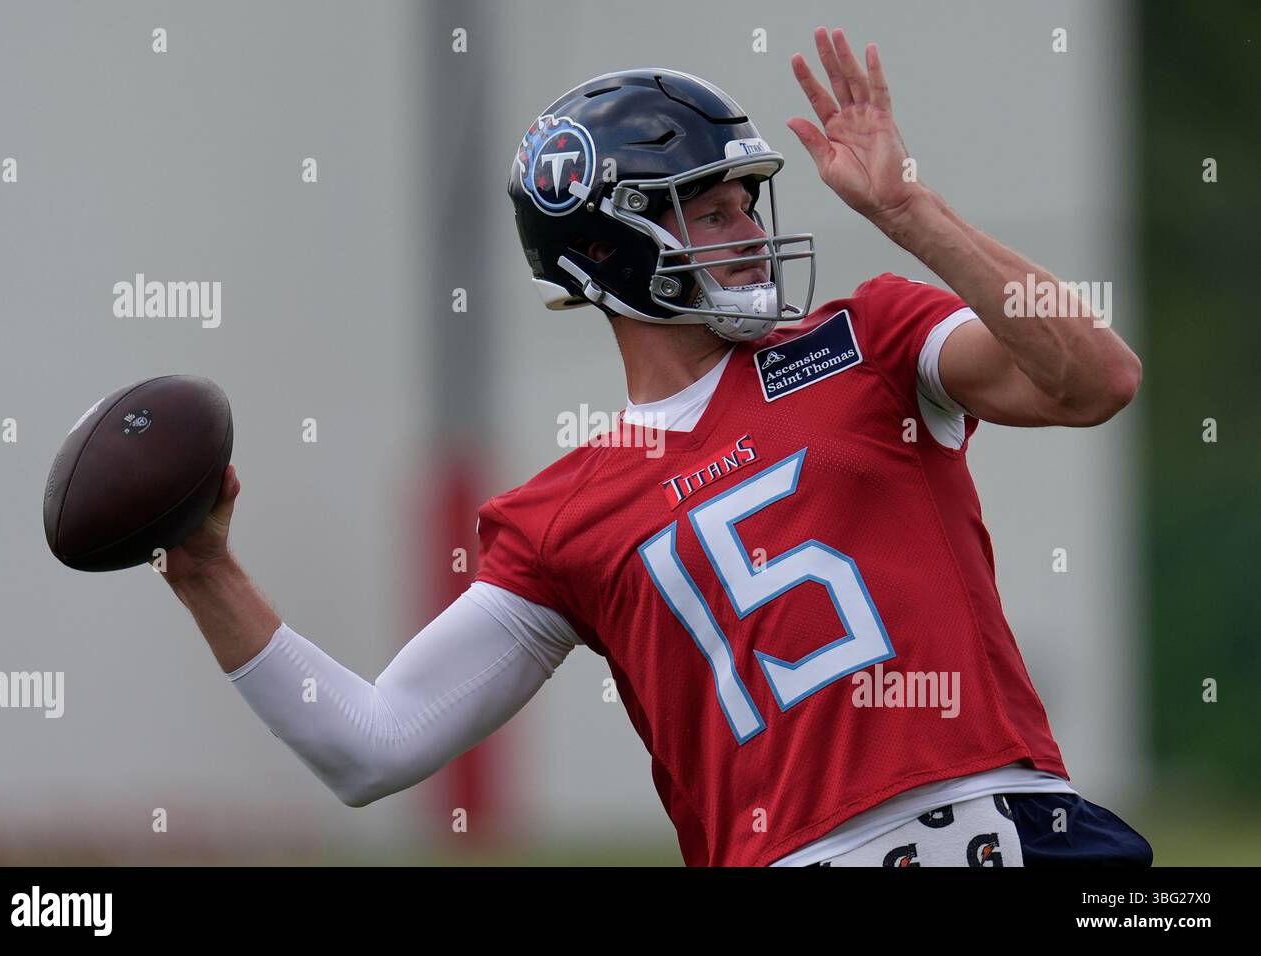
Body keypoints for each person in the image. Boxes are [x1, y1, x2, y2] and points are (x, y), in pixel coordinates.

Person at [163, 28, 1152, 867]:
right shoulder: (563, 516)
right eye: (711, 211)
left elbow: (1094, 378)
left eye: (744, 205)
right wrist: (206, 568)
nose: (749, 234)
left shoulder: (866, 342)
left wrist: (908, 213)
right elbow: (368, 744)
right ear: (609, 244)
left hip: (1014, 829)